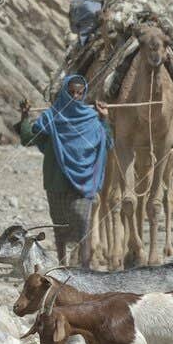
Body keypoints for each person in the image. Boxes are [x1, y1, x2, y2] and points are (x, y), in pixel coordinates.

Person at [17, 74, 111, 266]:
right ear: (64, 93)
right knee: (60, 230)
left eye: (80, 93)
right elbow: (28, 139)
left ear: (84, 94)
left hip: (83, 185)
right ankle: (62, 266)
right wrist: (24, 117)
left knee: (83, 228)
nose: (76, 97)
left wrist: (104, 120)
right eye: (72, 93)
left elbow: (108, 143)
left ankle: (85, 270)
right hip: (56, 182)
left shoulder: (92, 120)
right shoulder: (51, 117)